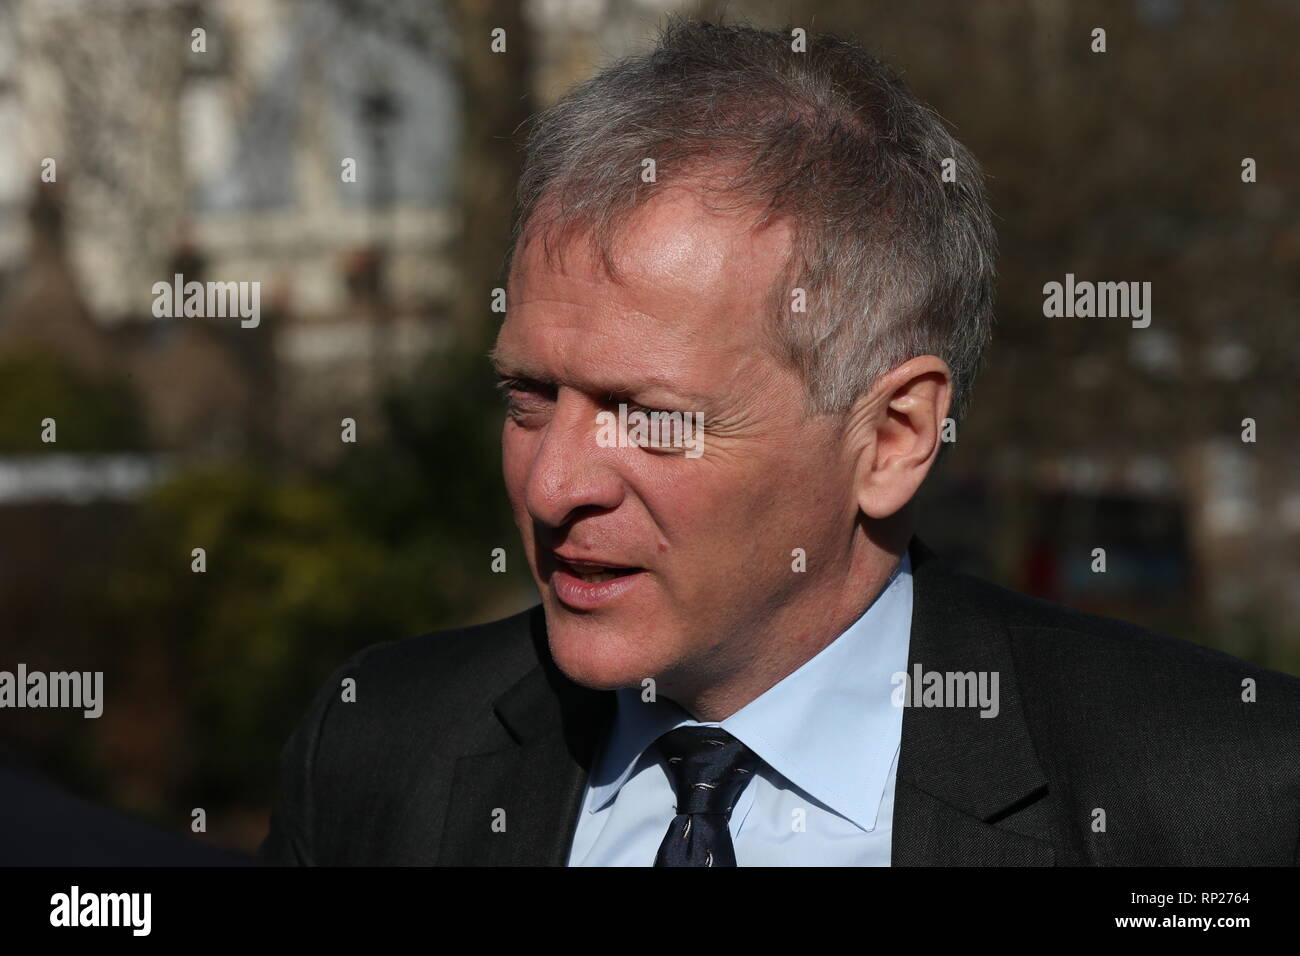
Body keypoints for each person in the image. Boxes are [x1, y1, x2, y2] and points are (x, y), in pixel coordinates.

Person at [261, 19, 1300, 866]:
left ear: (891, 436)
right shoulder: (381, 749)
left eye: (648, 414)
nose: (554, 479)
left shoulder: (1219, 794)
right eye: (529, 394)